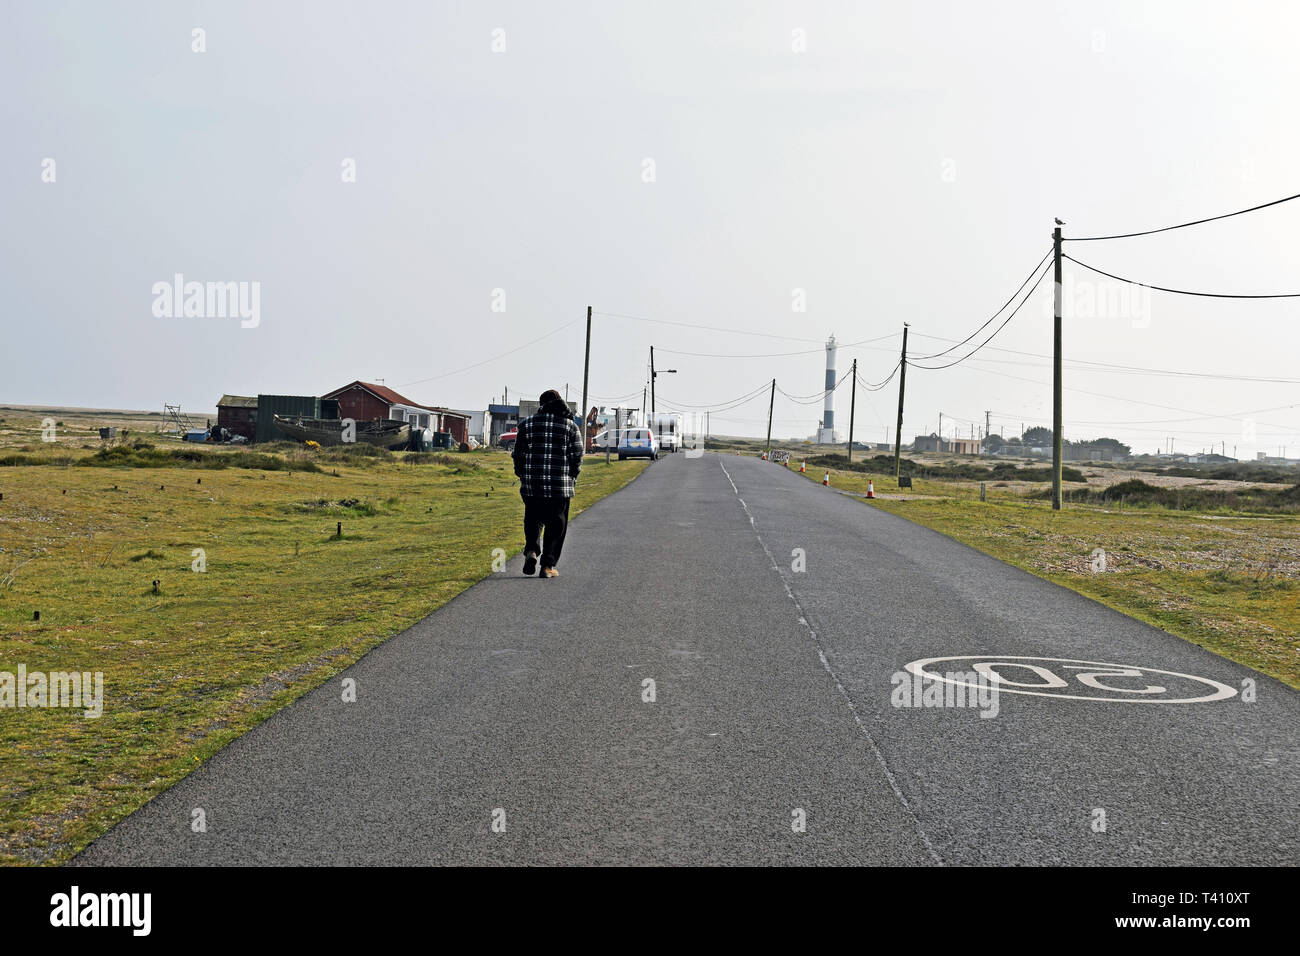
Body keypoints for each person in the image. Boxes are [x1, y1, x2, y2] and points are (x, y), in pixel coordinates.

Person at [512, 389, 583, 578]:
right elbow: (577, 456)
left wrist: (522, 474)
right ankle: (547, 566)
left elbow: (518, 454)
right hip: (560, 485)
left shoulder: (526, 424)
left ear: (541, 404)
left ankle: (532, 551)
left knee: (533, 519)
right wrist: (572, 477)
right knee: (556, 525)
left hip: (532, 484)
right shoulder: (570, 426)